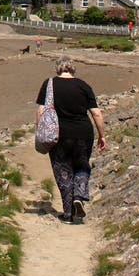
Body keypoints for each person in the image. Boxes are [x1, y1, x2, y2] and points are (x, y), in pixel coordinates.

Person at [36, 55, 106, 223]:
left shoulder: (49, 84)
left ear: (57, 68)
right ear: (73, 68)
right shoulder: (83, 86)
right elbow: (96, 113)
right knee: (82, 165)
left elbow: (41, 111)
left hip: (59, 135)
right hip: (83, 133)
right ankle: (79, 196)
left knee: (62, 171)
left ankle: (68, 214)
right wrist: (102, 135)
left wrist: (40, 131)